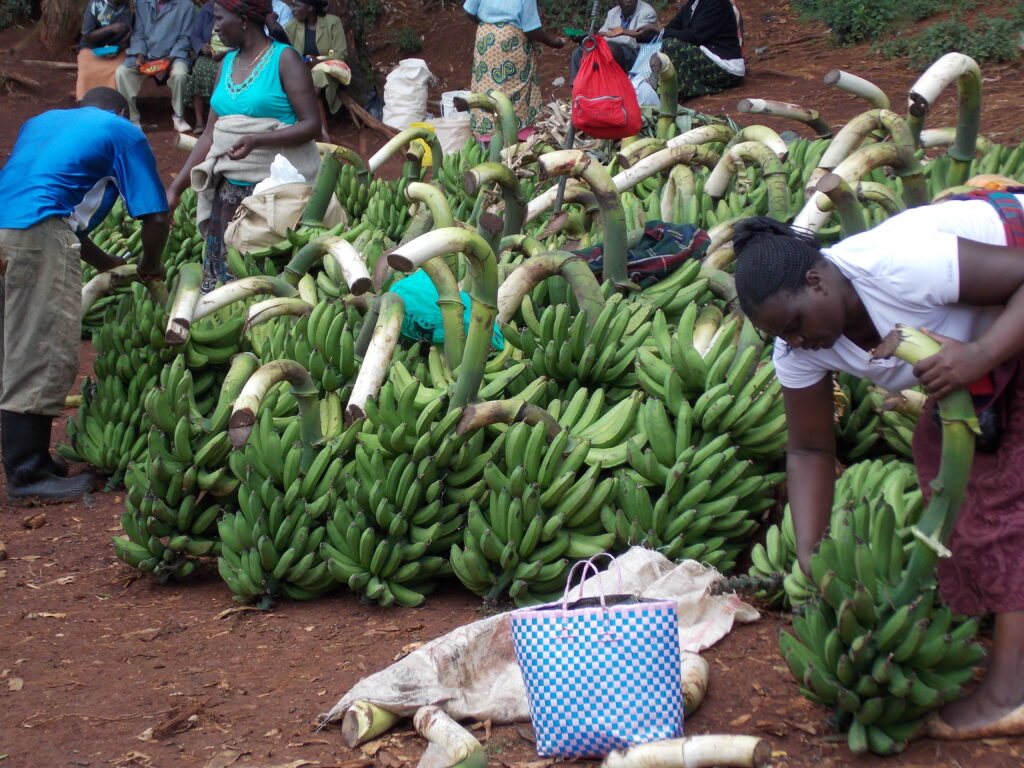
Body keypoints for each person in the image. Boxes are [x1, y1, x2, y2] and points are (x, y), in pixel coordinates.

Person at [732, 199, 1024, 741]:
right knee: (942, 471)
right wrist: (810, 555)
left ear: (817, 281)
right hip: (979, 349)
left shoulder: (899, 265)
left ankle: (1012, 692)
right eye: (783, 336)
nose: (796, 341)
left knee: (1003, 496)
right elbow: (811, 450)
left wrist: (981, 353)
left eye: (796, 324)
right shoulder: (796, 350)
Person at [0, 87, 169, 503]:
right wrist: (150, 264)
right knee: (40, 347)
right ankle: (27, 472)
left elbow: (58, 206)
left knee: (7, 344)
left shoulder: (40, 122)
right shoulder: (122, 130)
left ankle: (28, 460)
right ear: (122, 112)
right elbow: (157, 215)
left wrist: (107, 264)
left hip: (7, 226)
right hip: (36, 235)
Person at [167, 0, 322, 293]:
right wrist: (175, 189)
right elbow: (211, 135)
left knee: (265, 283)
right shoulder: (226, 63)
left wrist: (259, 140)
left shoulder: (284, 59)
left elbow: (312, 125)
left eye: (218, 18)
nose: (214, 27)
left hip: (274, 197)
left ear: (242, 20)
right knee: (221, 282)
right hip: (228, 195)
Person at [462, 0, 564, 137]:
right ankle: (513, 137)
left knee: (485, 87)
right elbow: (532, 29)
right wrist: (555, 42)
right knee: (512, 92)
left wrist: (490, 25)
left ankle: (486, 134)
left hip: (485, 38)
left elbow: (470, 10)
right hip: (510, 41)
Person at [115, 0, 196, 131]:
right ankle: (133, 119)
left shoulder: (186, 5)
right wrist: (139, 53)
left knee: (180, 74)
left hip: (173, 56)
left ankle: (179, 116)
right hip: (146, 55)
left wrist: (170, 58)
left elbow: (185, 38)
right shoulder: (141, 2)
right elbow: (138, 32)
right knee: (122, 72)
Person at [651, 0, 744, 100]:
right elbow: (671, 28)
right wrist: (645, 33)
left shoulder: (718, 3)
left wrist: (660, 31)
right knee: (662, 43)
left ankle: (690, 90)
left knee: (670, 45)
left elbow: (696, 36)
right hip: (706, 58)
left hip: (726, 66)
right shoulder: (693, 4)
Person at [284, 0, 348, 143]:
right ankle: (323, 136)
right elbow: (286, 54)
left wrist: (318, 61)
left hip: (328, 70)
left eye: (297, 6)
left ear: (310, 8)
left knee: (318, 76)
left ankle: (310, 129)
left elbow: (341, 53)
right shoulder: (291, 27)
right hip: (302, 72)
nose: (292, 9)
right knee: (314, 93)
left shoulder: (332, 23)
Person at [569, 0, 659, 82]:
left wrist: (621, 32)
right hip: (613, 50)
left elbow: (635, 41)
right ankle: (578, 90)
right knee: (579, 53)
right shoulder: (613, 13)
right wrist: (588, 37)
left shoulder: (647, 12)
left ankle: (609, 88)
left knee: (610, 50)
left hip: (636, 55)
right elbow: (602, 35)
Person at [186, 0, 230, 134]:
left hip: (232, 53)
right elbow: (195, 35)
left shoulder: (237, 9)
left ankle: (224, 120)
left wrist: (226, 53)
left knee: (228, 72)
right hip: (210, 54)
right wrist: (202, 47)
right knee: (200, 70)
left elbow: (243, 40)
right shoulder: (208, 9)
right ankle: (200, 121)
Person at [76, 0, 134, 101]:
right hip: (92, 48)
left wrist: (121, 47)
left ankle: (113, 102)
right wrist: (110, 29)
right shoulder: (95, 5)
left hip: (119, 48)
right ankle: (87, 101)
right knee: (86, 72)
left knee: (119, 71)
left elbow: (136, 34)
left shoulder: (133, 6)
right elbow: (87, 36)